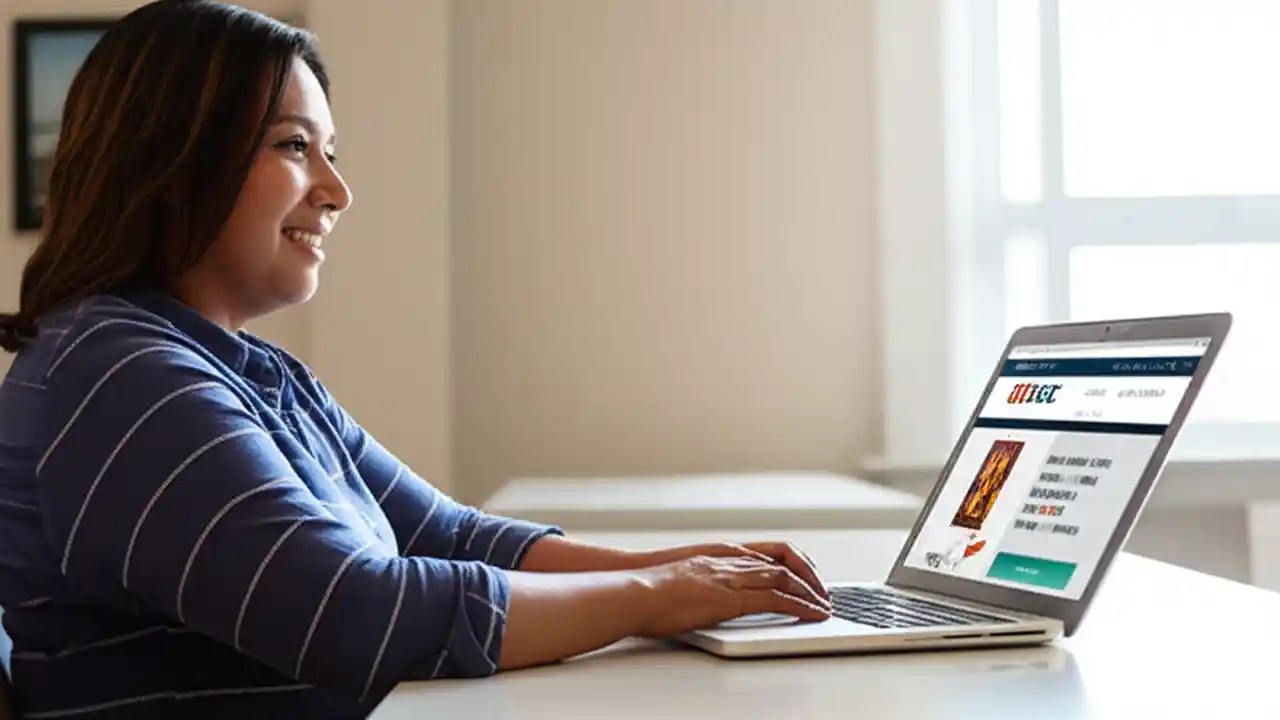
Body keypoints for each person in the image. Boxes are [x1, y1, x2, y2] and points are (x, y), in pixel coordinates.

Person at [0, 2, 831, 717]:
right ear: (174, 159)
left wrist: (689, 570)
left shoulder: (240, 370)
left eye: (332, 151)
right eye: (294, 146)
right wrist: (653, 599)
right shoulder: (118, 377)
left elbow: (452, 536)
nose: (336, 189)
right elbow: (354, 612)